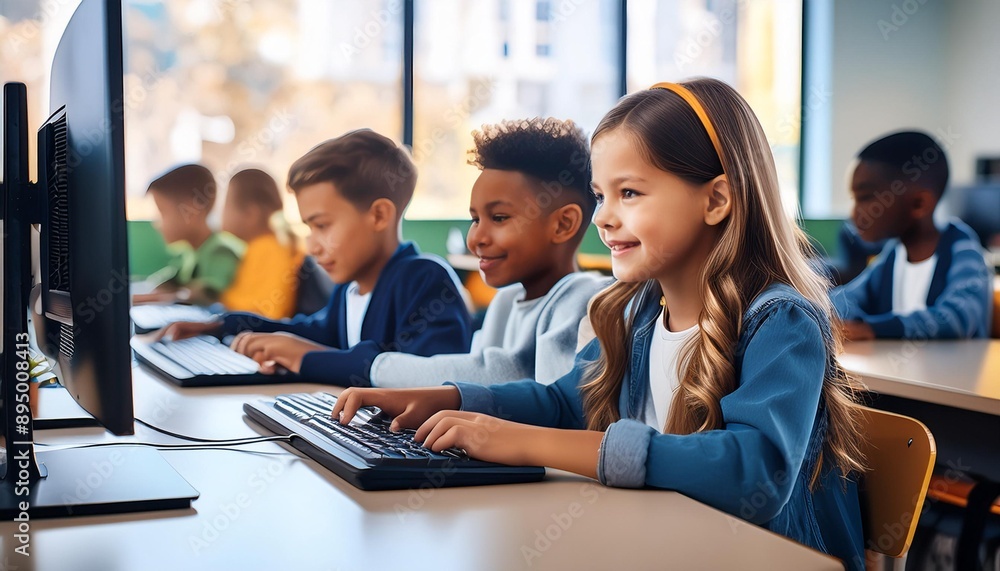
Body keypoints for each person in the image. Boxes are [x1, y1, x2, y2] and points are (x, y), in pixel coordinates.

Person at [331, 79, 870, 569]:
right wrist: (450, 399)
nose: (605, 216)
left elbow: (755, 469)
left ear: (716, 199)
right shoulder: (636, 313)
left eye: (629, 193)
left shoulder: (780, 321)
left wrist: (526, 443)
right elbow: (568, 402)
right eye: (600, 195)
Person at [162, 129, 473, 386]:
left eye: (322, 226)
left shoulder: (424, 280)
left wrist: (304, 357)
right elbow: (311, 332)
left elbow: (427, 378)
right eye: (309, 228)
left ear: (379, 215)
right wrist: (221, 326)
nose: (312, 246)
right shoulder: (349, 288)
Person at [370, 118, 609, 388]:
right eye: (475, 219)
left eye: (498, 217)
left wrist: (370, 366)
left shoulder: (583, 297)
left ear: (563, 224)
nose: (476, 239)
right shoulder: (505, 301)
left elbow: (508, 375)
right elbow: (473, 381)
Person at [831, 130, 993, 340]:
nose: (853, 213)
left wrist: (873, 329)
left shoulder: (962, 249)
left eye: (865, 198)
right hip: (901, 372)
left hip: (953, 372)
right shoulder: (894, 253)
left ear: (919, 204)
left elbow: (955, 319)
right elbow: (847, 300)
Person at [135, 164, 244, 306]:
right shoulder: (191, 252)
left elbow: (209, 292)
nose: (157, 224)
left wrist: (156, 298)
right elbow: (172, 279)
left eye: (162, 212)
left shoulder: (220, 251)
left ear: (191, 210)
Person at [219, 168, 303, 319]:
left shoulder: (273, 249)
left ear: (251, 213)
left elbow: (271, 311)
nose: (222, 214)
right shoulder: (254, 248)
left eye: (226, 205)